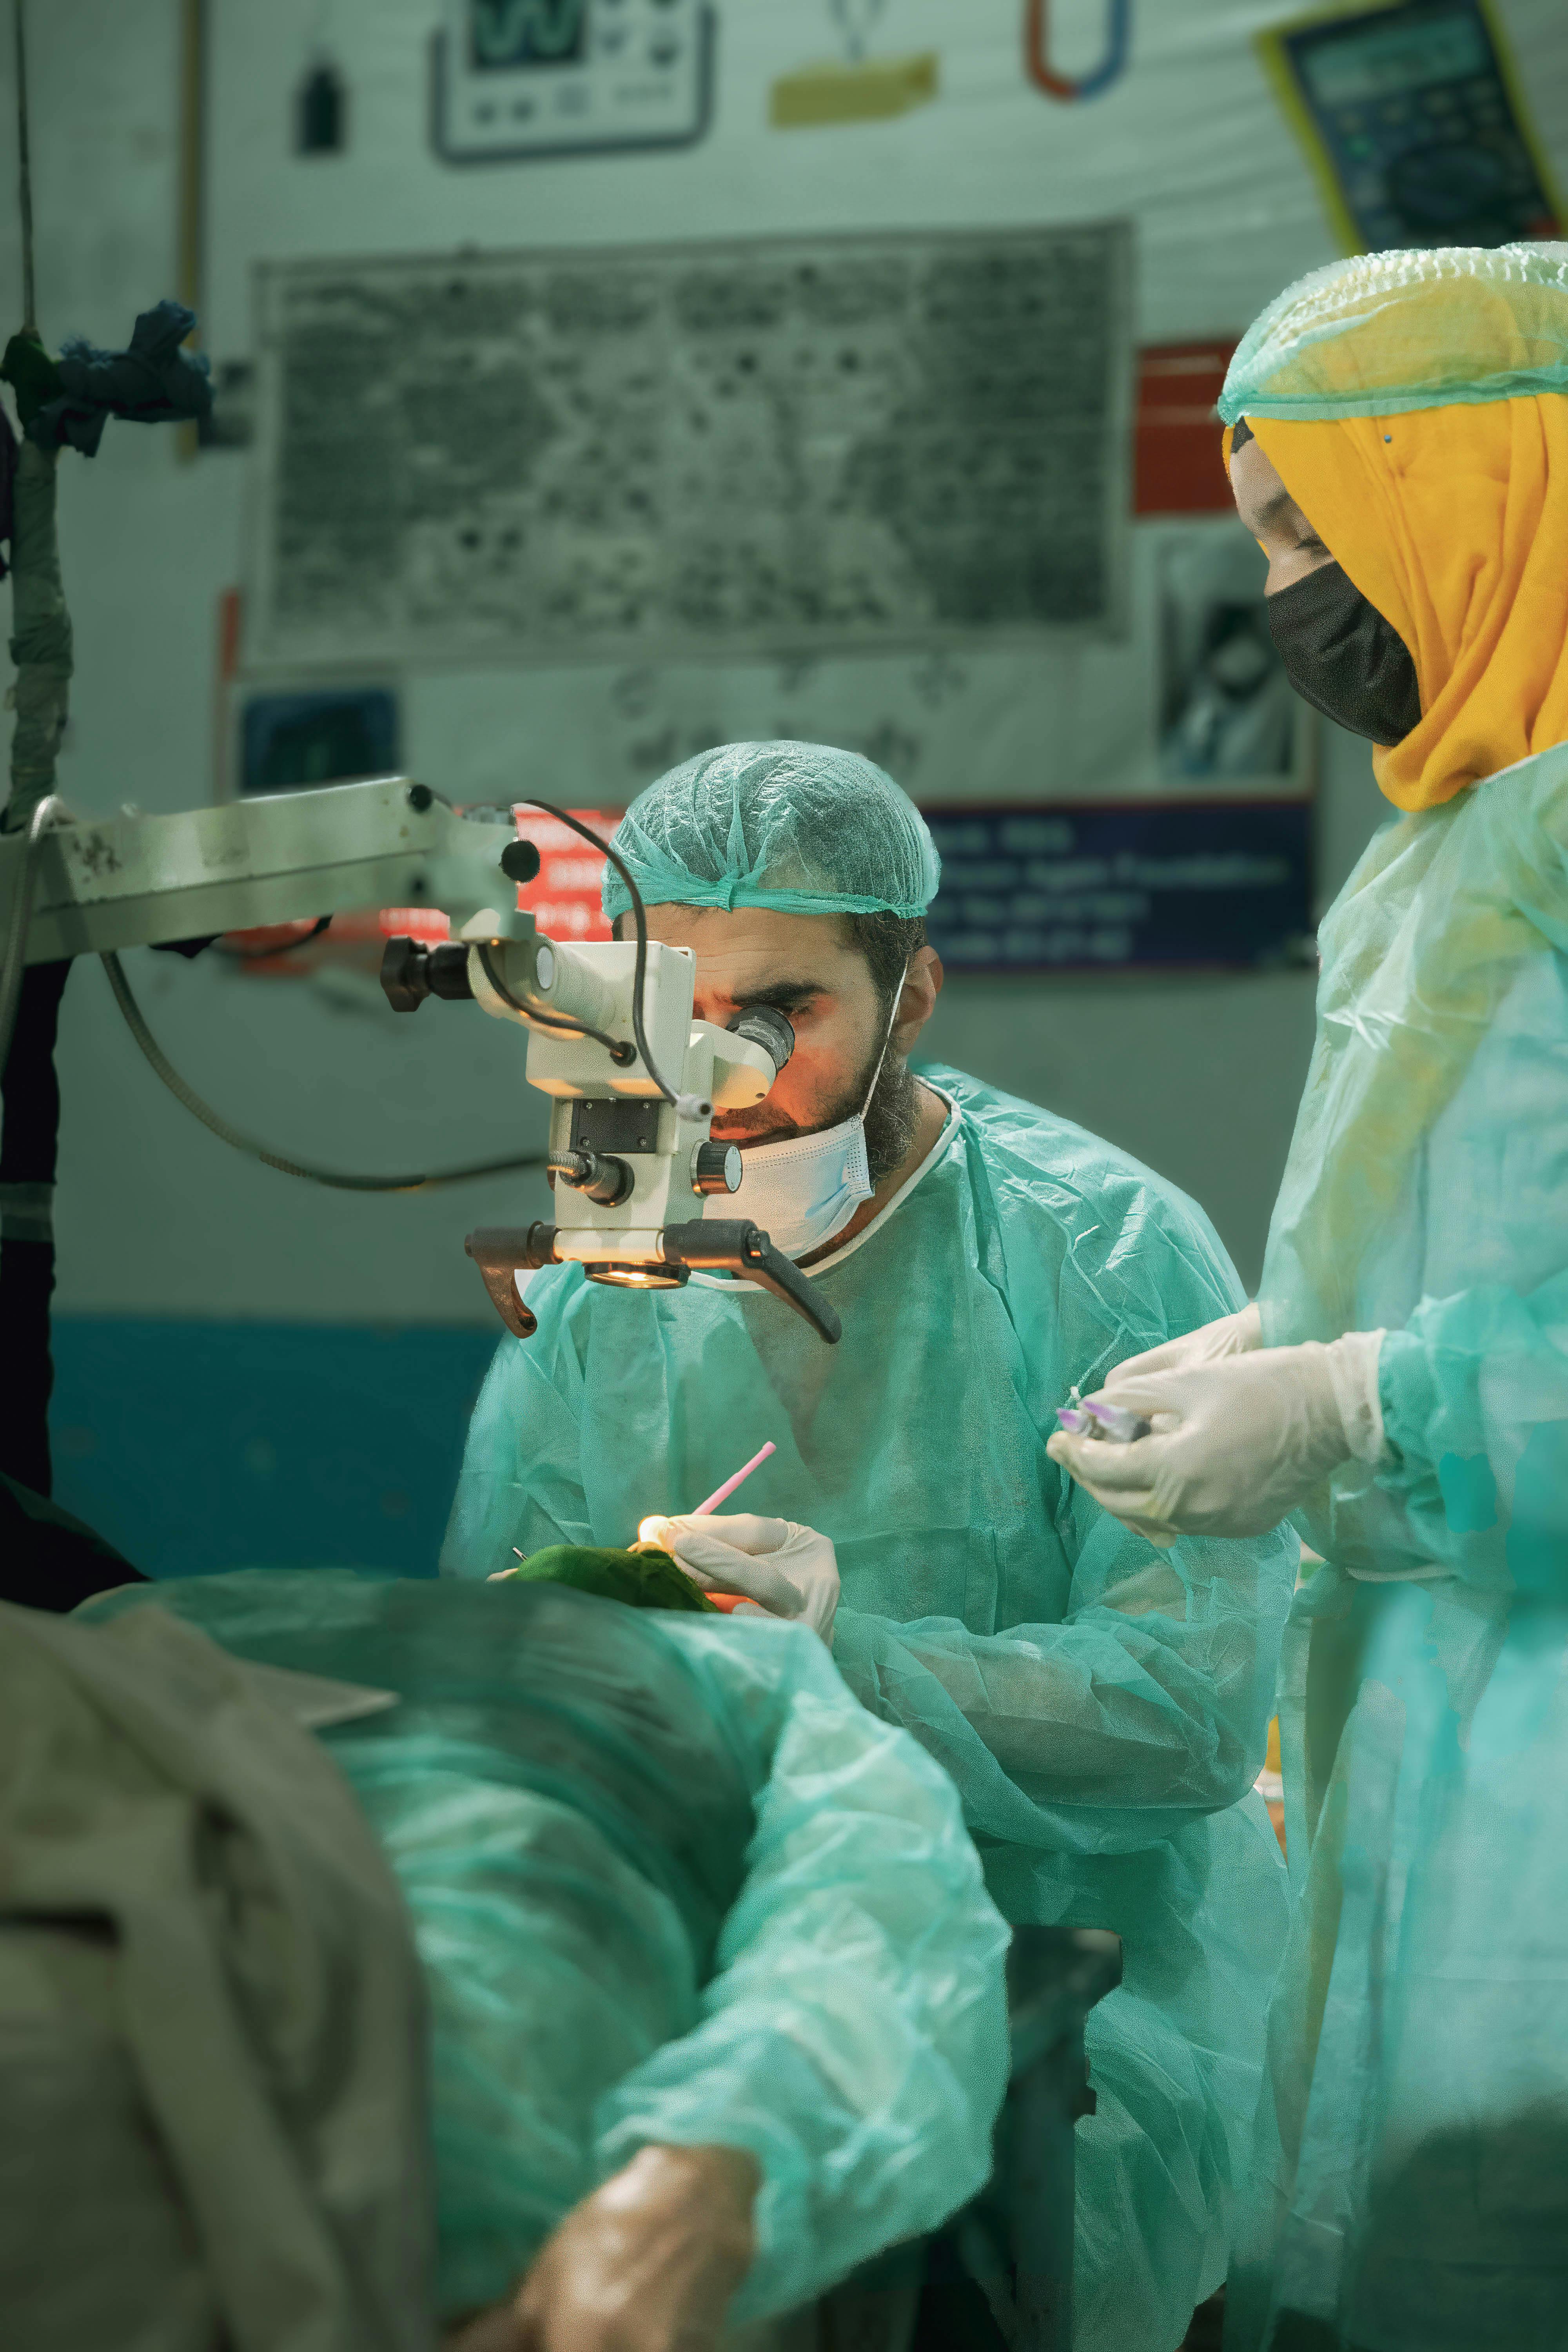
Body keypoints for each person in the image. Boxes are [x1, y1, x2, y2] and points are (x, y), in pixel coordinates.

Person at [445, 738, 1299, 2352]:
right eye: (673, 1012)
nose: (719, 1070)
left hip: (1064, 1960)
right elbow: (494, 1655)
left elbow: (1188, 1712)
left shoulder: (1102, 1256)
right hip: (704, 1928)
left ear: (912, 996)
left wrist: (850, 1668)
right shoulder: (605, 1274)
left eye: (781, 1013)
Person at [1049, 244, 1568, 2351]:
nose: (1283, 592)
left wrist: (1359, 1405)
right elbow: (1472, 1245)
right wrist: (1284, 1344)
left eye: (1303, 522)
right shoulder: (1433, 850)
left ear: (1482, 485)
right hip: (1421, 1711)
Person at [4, 1564, 1009, 2350]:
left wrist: (706, 2175)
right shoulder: (738, 1686)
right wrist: (711, 2166)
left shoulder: (743, 1691)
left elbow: (869, 1920)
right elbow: (870, 1932)